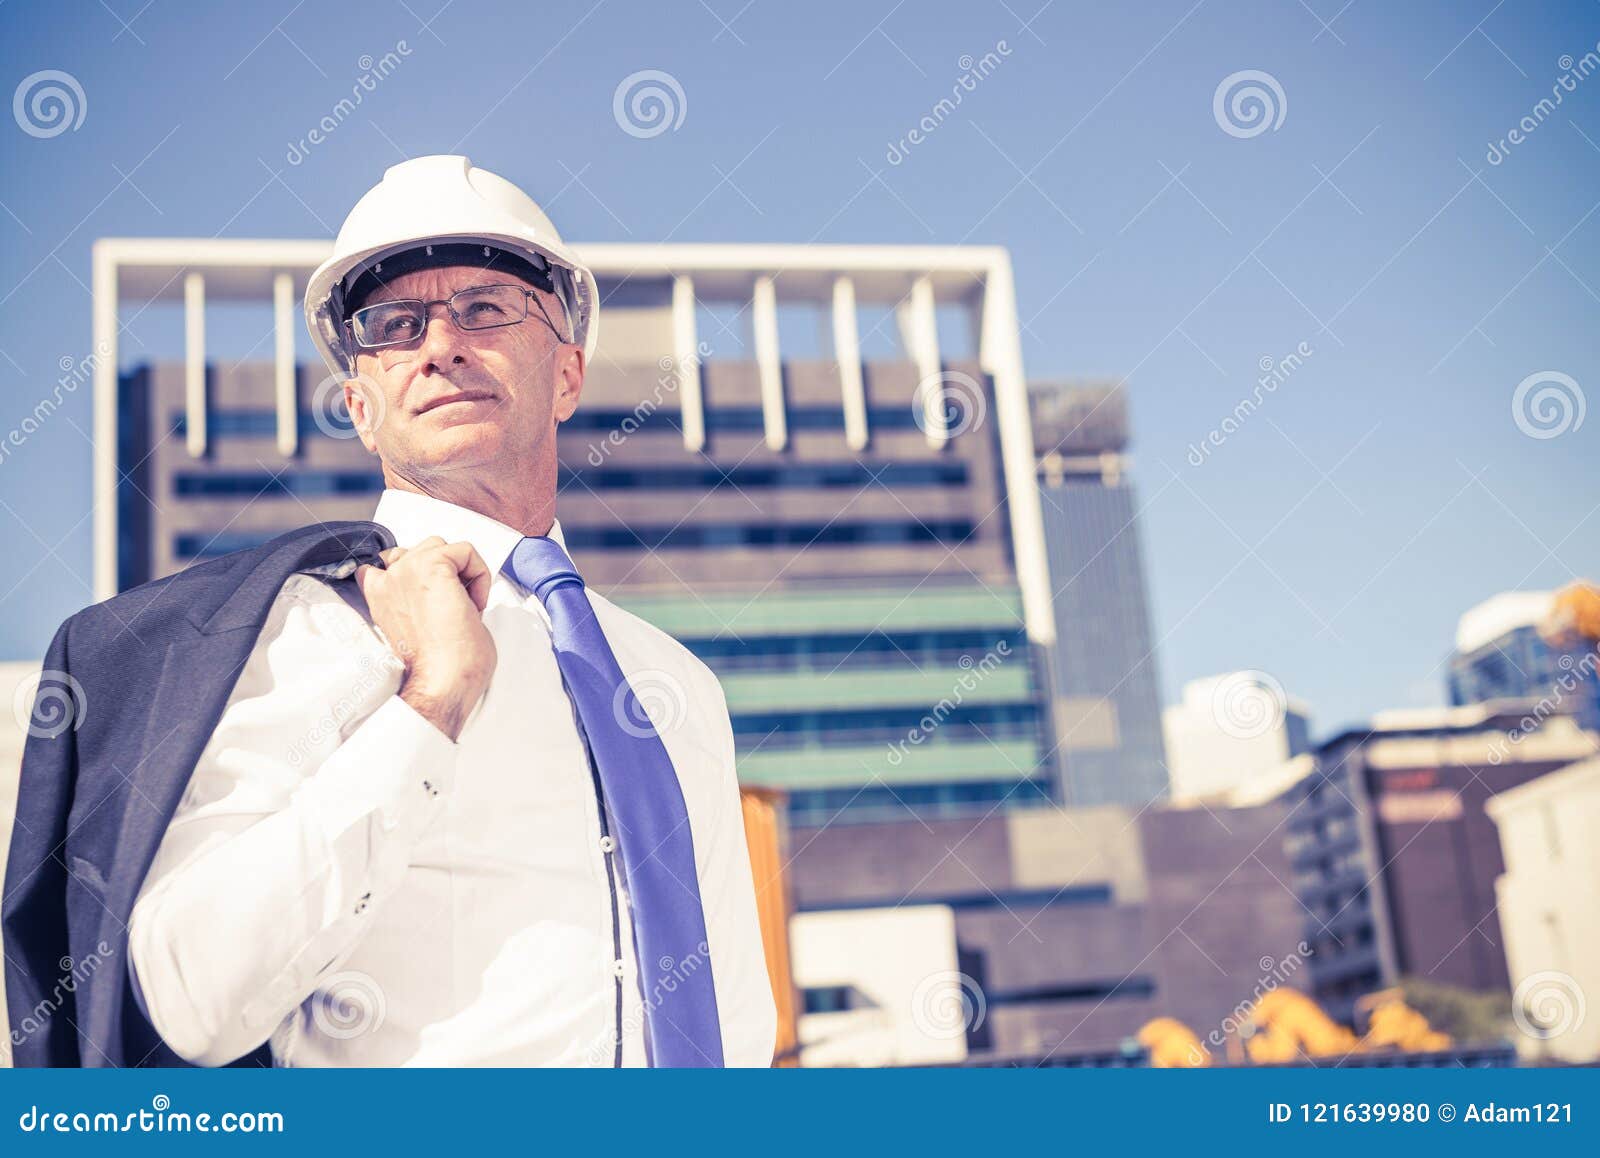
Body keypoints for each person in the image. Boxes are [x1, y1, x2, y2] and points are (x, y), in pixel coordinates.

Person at [119, 155, 776, 1066]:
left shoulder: (678, 685)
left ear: (569, 374)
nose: (439, 345)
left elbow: (734, 1011)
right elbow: (189, 997)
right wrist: (426, 711)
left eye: (486, 309)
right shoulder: (295, 635)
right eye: (395, 325)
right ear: (361, 406)